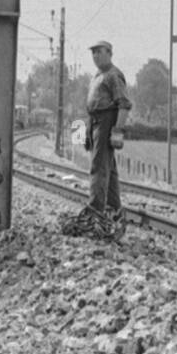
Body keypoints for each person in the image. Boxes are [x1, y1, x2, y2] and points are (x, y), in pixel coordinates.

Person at [64, 40, 132, 239]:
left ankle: (95, 212)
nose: (95, 56)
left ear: (109, 53)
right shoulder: (97, 76)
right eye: (93, 53)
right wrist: (86, 130)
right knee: (108, 169)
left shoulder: (113, 75)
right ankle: (114, 210)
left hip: (106, 121)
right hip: (95, 121)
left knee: (98, 167)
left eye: (99, 52)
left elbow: (124, 104)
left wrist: (117, 131)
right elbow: (92, 106)